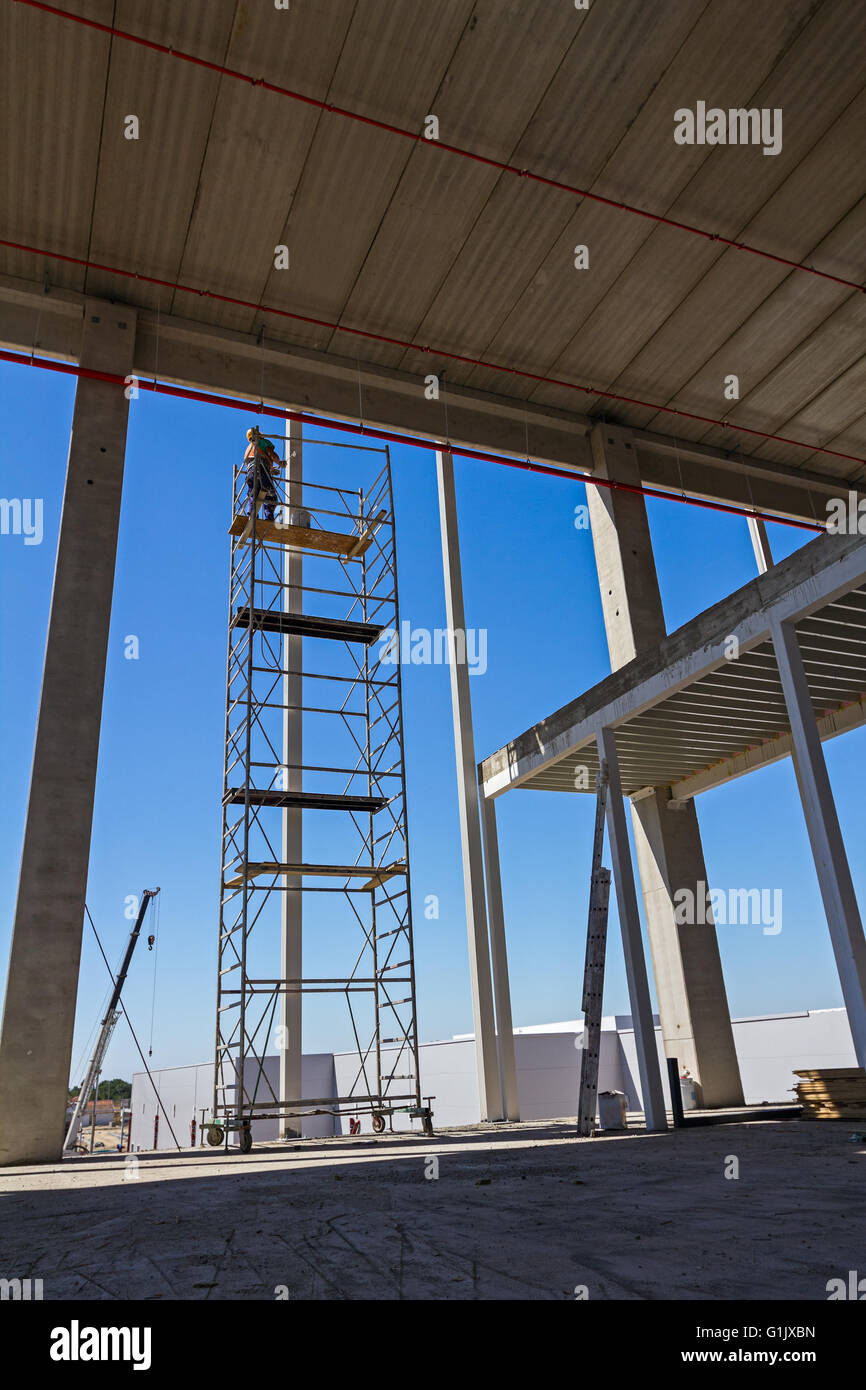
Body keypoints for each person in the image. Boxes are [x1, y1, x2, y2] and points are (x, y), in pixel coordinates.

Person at [243, 426, 282, 521]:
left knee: (253, 492)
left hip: (251, 473)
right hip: (261, 469)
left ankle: (252, 514)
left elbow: (255, 459)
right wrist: (280, 463)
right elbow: (271, 453)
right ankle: (269, 517)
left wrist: (271, 469)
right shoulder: (262, 442)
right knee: (270, 493)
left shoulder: (249, 448)